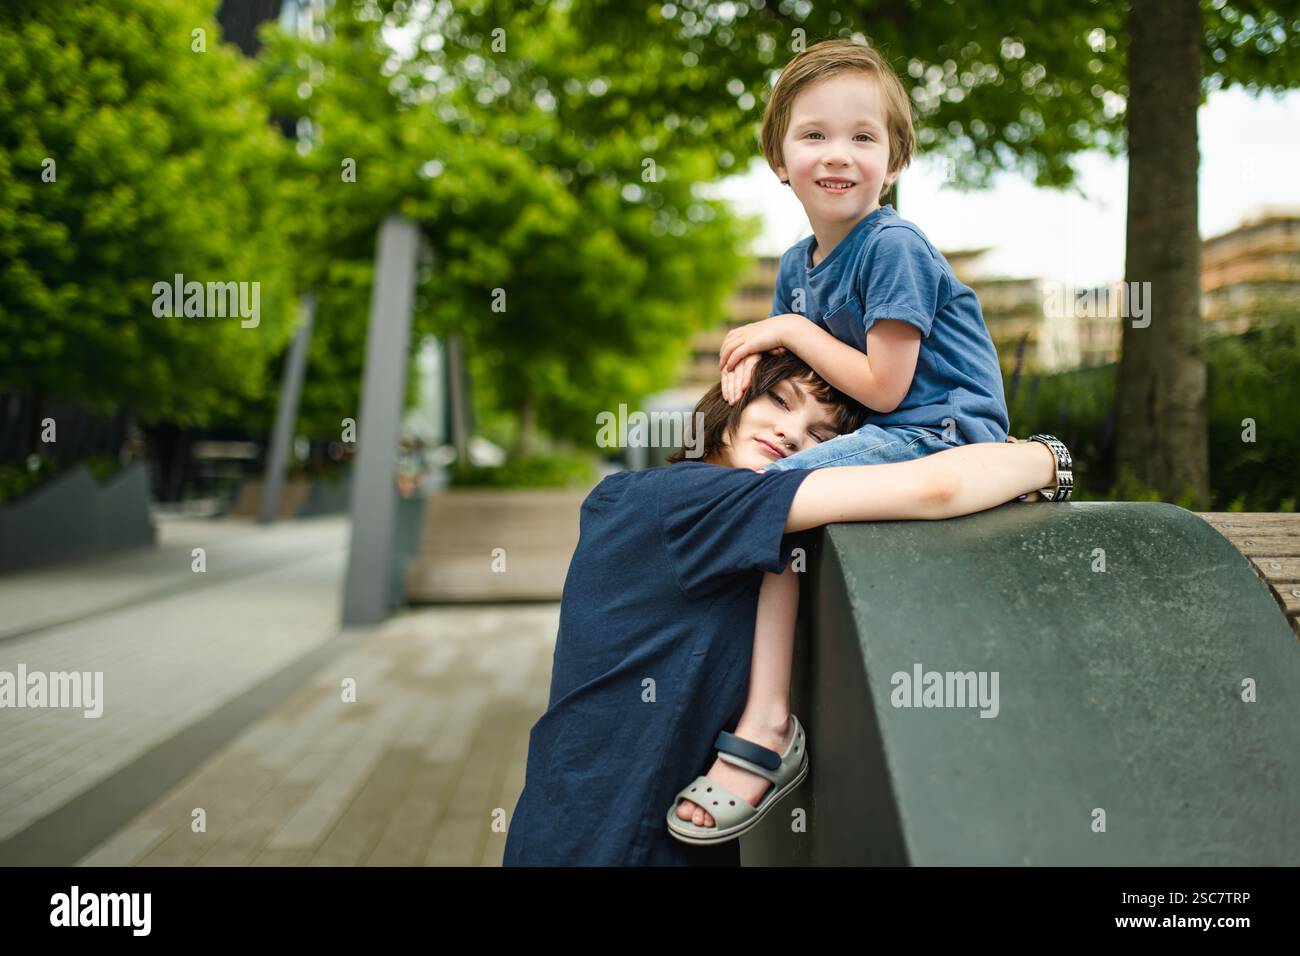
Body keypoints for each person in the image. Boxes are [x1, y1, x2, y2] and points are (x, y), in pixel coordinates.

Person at [502, 351, 1067, 865]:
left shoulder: (662, 503)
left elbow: (781, 560)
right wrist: (1049, 460)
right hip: (601, 840)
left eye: (822, 434)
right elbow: (934, 490)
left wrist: (766, 720)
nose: (791, 434)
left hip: (616, 827)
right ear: (734, 392)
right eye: (778, 401)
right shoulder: (686, 501)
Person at [674, 38, 1019, 834]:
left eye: (864, 137)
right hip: (885, 429)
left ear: (893, 160)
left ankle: (768, 723)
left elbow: (884, 387)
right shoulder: (800, 260)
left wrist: (785, 323)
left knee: (772, 499)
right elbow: (803, 372)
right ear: (779, 156)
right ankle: (731, 680)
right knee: (739, 491)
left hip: (938, 429)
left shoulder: (892, 246)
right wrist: (760, 353)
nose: (840, 155)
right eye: (815, 135)